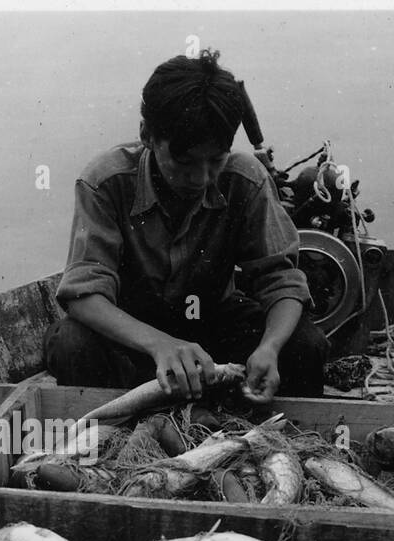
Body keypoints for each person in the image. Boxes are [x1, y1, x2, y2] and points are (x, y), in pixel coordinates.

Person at [45, 50, 328, 403]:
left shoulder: (245, 180)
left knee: (305, 345)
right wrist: (160, 345)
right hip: (134, 336)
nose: (201, 178)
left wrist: (269, 348)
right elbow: (82, 294)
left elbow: (282, 280)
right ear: (147, 134)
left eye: (215, 160)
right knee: (71, 344)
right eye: (184, 161)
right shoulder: (105, 182)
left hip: (214, 329)